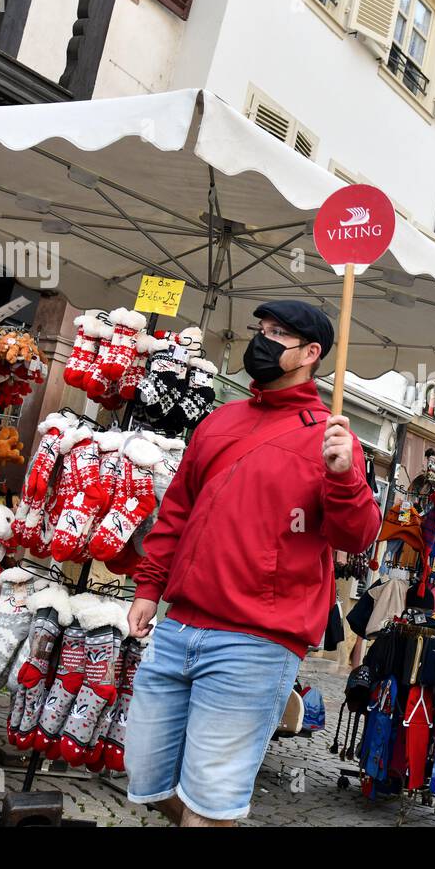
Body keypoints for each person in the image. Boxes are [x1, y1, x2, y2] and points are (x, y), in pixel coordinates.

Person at [124, 302, 382, 826]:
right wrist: (148, 588)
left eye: (278, 334)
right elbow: (176, 511)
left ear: (311, 354)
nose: (262, 341)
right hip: (180, 627)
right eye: (260, 331)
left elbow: (358, 534)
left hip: (257, 643)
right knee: (146, 779)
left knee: (210, 802)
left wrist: (344, 477)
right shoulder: (219, 420)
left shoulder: (333, 439)